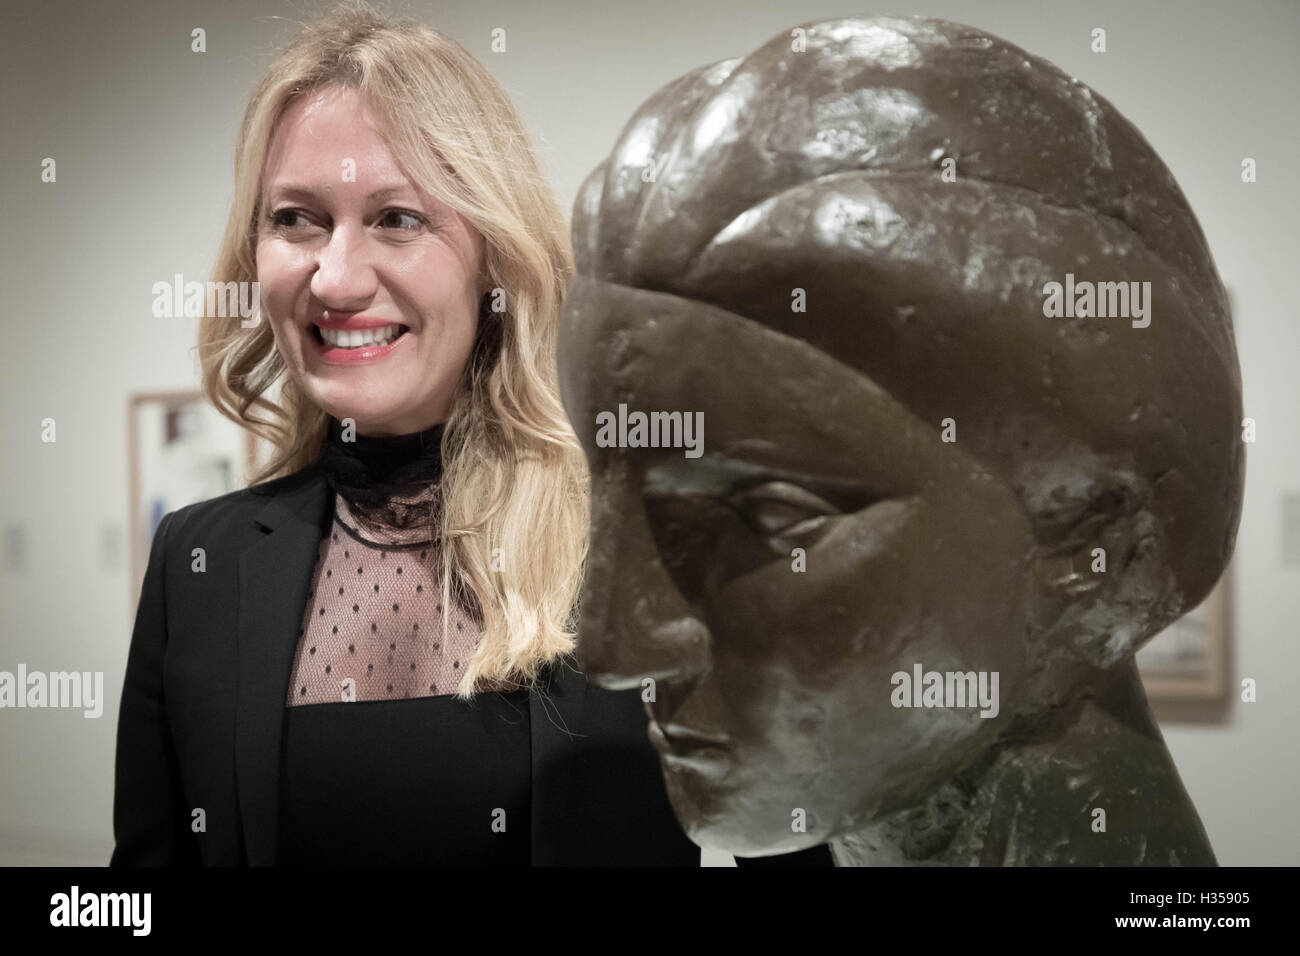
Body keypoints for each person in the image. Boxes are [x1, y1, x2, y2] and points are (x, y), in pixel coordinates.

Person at [110, 0, 831, 866]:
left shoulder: (650, 541)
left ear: (495, 253)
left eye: (397, 219)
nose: (335, 278)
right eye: (295, 218)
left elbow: (796, 850)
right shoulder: (198, 564)